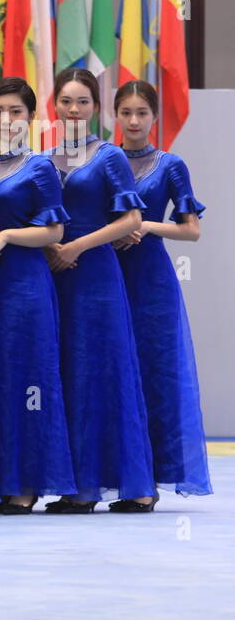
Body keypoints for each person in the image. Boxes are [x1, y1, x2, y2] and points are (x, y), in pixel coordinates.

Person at [37, 67, 153, 513]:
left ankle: (136, 486)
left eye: (82, 102)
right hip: (54, 275)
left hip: (96, 274)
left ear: (95, 108)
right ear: (55, 105)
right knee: (68, 372)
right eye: (65, 101)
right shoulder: (44, 159)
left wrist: (76, 247)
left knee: (106, 369)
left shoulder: (108, 156)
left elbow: (131, 220)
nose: (73, 109)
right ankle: (79, 487)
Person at [0, 77, 77, 513]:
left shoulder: (40, 167)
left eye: (16, 112)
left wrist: (6, 236)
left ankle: (28, 484)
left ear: (30, 118)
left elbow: (54, 230)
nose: (6, 120)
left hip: (25, 287)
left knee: (27, 379)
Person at [111, 81, 212, 509]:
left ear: (155, 117)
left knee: (154, 373)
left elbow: (191, 229)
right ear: (114, 115)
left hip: (150, 281)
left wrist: (147, 225)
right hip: (106, 275)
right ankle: (115, 474)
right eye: (126, 113)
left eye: (142, 113)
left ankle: (148, 483)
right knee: (112, 374)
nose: (134, 122)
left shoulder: (170, 165)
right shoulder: (103, 160)